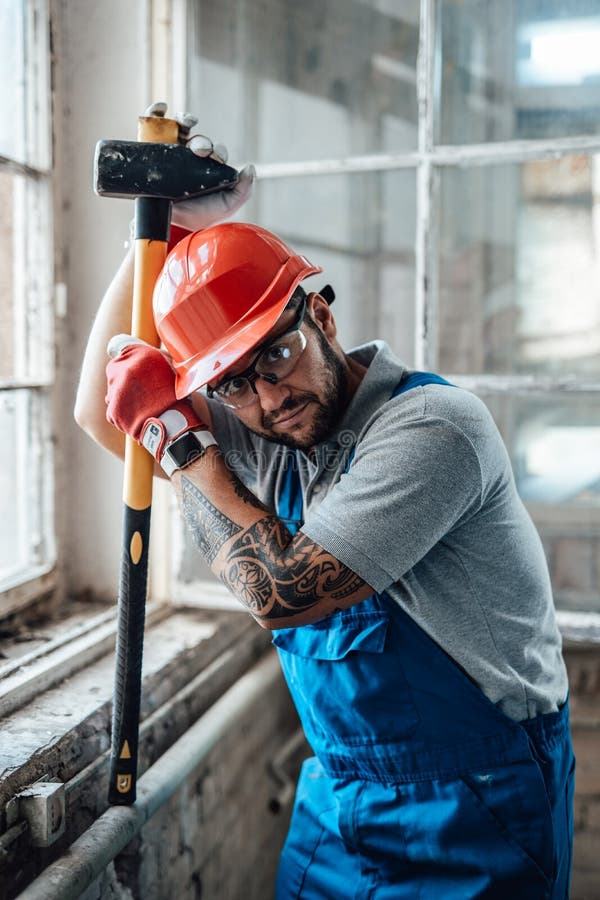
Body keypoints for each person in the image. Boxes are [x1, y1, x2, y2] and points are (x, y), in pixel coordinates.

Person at [75, 113, 575, 900]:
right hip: (340, 801)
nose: (269, 398)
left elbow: (287, 594)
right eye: (231, 381)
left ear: (323, 316)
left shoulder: (431, 429)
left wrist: (176, 435)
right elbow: (105, 415)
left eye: (278, 351)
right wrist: (165, 229)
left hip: (479, 801)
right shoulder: (268, 428)